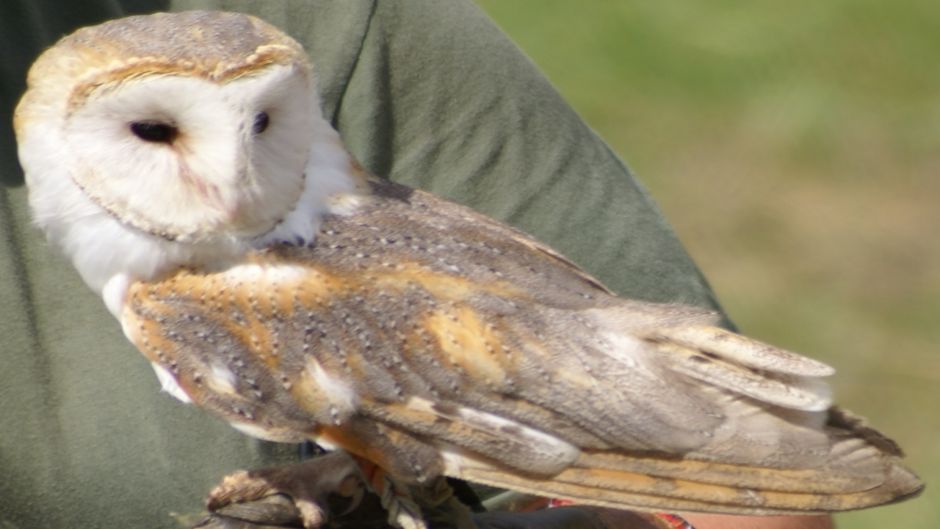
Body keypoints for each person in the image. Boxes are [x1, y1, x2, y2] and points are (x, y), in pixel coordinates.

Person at [0, 1, 831, 528]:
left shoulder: (214, 296)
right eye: (154, 133)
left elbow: (746, 486)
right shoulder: (175, 290)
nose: (228, 184)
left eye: (260, 129)